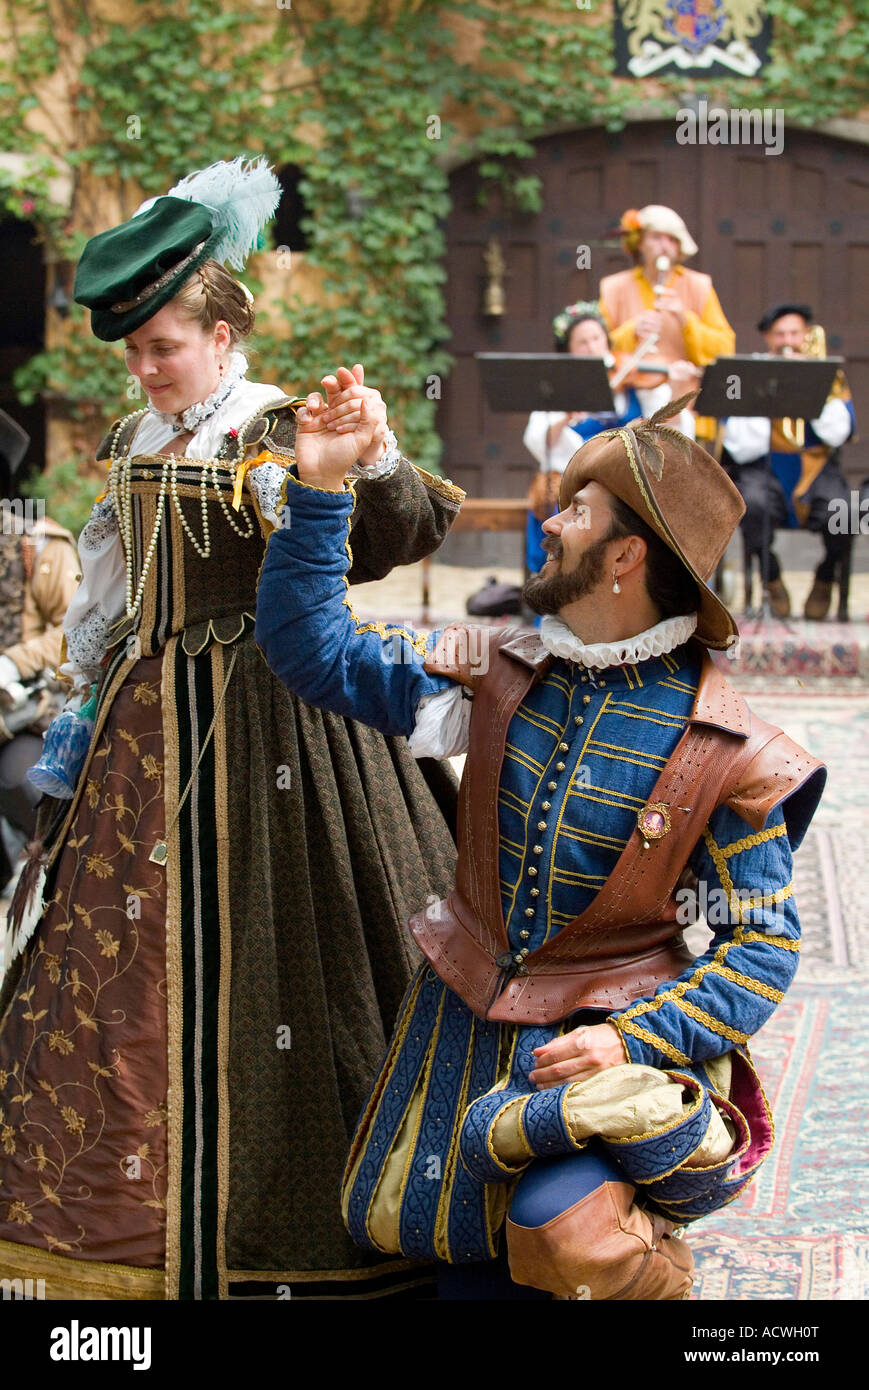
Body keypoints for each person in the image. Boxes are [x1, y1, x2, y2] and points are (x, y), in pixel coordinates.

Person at [0, 159, 463, 1301]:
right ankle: (117, 1242)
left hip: (282, 729)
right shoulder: (133, 439)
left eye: (166, 346)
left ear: (224, 331)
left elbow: (389, 537)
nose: (148, 369)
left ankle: (282, 1239)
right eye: (136, 351)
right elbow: (109, 605)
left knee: (293, 969)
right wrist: (78, 716)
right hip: (143, 729)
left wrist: (370, 450)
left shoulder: (270, 429)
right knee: (102, 978)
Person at [256, 395, 825, 1300]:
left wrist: (630, 1040)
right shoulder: (498, 670)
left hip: (604, 1059)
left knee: (556, 1242)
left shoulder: (728, 753)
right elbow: (311, 650)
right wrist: (323, 485)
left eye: (575, 513)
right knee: (452, 1266)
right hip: (454, 1034)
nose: (549, 523)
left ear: (625, 557)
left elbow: (764, 949)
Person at [722, 303, 856, 620]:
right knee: (748, 504)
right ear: (767, 337)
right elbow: (738, 447)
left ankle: (825, 578)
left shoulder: (827, 373)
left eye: (794, 333)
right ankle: (771, 578)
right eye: (779, 333)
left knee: (847, 513)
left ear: (806, 336)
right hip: (764, 465)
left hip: (816, 467)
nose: (787, 341)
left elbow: (837, 434)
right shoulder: (751, 375)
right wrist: (766, 399)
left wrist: (809, 387)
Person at [522, 302, 673, 575]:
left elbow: (663, 425)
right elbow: (537, 440)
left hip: (628, 472)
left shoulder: (634, 380)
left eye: (596, 339)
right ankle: (559, 580)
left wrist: (678, 383)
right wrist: (565, 417)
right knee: (552, 496)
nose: (592, 347)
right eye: (582, 343)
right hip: (580, 476)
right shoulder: (558, 387)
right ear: (568, 350)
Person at [0, 431, 80, 895]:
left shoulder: (40, 545)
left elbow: (72, 629)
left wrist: (11, 664)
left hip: (24, 713)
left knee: (20, 779)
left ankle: (51, 870)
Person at [599, 206, 734, 443]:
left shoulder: (699, 286)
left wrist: (686, 320)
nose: (665, 245)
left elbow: (725, 347)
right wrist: (632, 330)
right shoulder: (614, 287)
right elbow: (595, 346)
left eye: (672, 239)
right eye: (657, 237)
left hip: (685, 402)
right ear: (639, 242)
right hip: (629, 405)